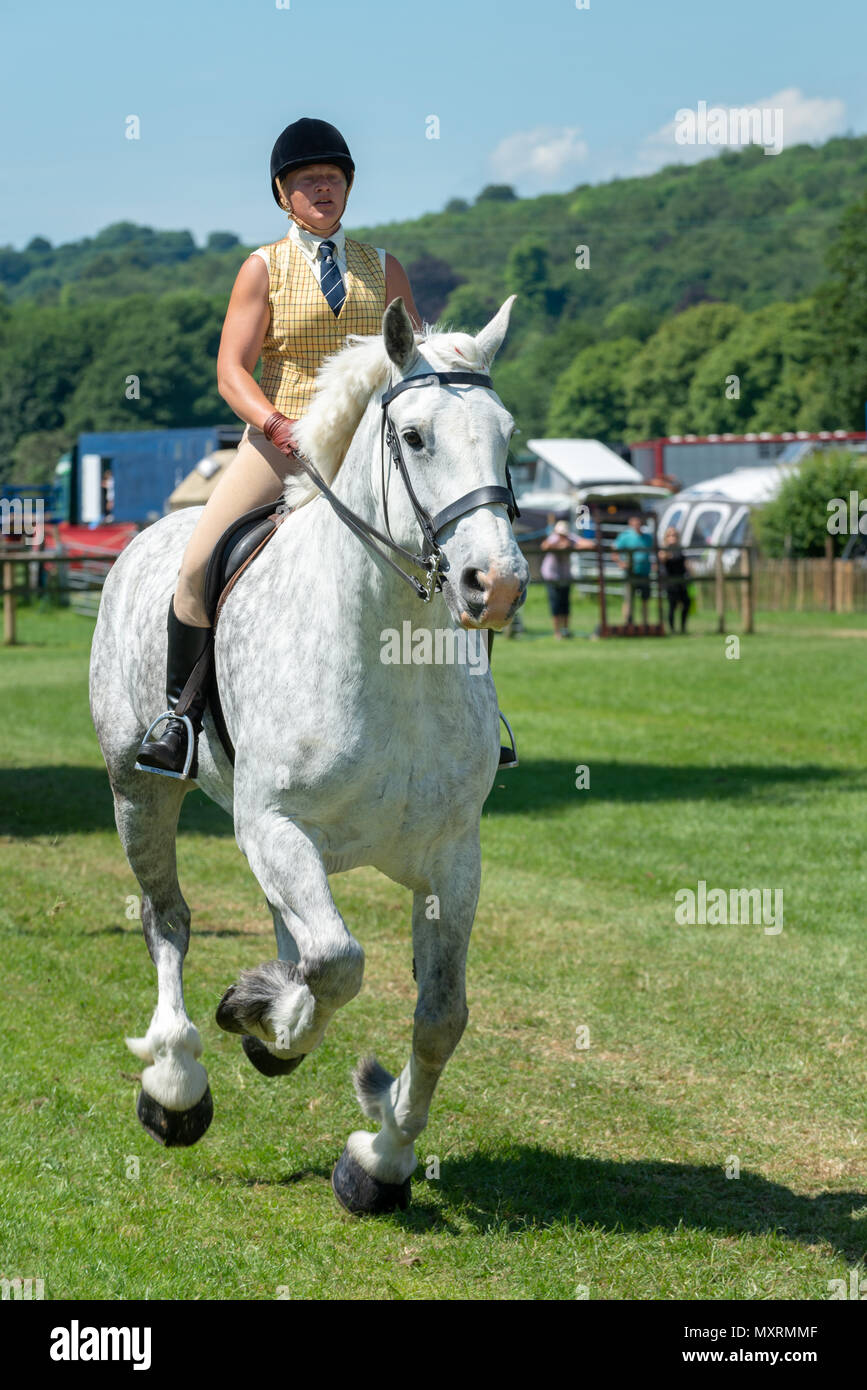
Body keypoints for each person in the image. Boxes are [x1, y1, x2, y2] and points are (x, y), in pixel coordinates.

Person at [136, 117, 421, 777]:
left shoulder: (385, 268)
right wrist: (273, 424)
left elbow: (412, 359)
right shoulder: (262, 268)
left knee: (447, 554)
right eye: (307, 180)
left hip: (366, 452)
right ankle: (179, 718)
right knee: (196, 565)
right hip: (280, 445)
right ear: (283, 193)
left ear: (348, 188)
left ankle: (469, 715)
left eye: (332, 178)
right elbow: (232, 370)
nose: (322, 188)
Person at [540, 518, 595, 638]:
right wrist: (561, 546)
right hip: (552, 576)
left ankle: (565, 630)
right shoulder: (553, 538)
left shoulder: (570, 538)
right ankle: (557, 632)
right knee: (555, 604)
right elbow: (545, 546)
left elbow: (589, 544)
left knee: (565, 604)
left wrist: (572, 545)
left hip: (565, 576)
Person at [614, 513, 653, 628]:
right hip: (630, 573)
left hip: (645, 572)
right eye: (635, 521)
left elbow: (654, 552)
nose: (637, 524)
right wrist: (621, 563)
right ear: (630, 523)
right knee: (628, 600)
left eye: (639, 521)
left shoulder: (648, 538)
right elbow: (615, 552)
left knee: (645, 599)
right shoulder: (625, 537)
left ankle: (645, 624)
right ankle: (628, 623)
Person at [658, 524, 690, 633]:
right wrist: (668, 549)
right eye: (670, 535)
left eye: (674, 535)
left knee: (686, 603)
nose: (672, 537)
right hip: (670, 582)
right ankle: (672, 629)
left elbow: (685, 563)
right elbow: (661, 558)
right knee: (673, 605)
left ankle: (683, 628)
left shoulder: (680, 549)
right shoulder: (664, 549)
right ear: (666, 537)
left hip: (681, 580)